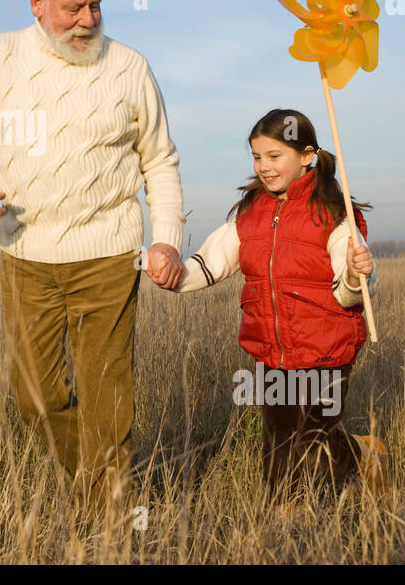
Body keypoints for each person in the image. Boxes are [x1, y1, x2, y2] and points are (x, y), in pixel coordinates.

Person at [0, 0, 186, 526]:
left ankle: (110, 518)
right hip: (25, 256)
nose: (89, 20)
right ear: (38, 5)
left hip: (109, 255)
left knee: (106, 398)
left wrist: (167, 238)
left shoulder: (129, 68)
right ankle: (100, 489)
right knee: (36, 400)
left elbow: (160, 160)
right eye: (75, 8)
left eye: (97, 5)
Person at [154, 108, 390, 512]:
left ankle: (365, 456)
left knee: (316, 444)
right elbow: (212, 262)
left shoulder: (335, 213)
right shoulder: (251, 213)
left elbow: (349, 292)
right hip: (272, 351)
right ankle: (286, 512)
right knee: (279, 439)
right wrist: (175, 274)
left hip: (326, 348)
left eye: (274, 156)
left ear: (307, 155)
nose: (263, 166)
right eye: (256, 156)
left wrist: (355, 273)